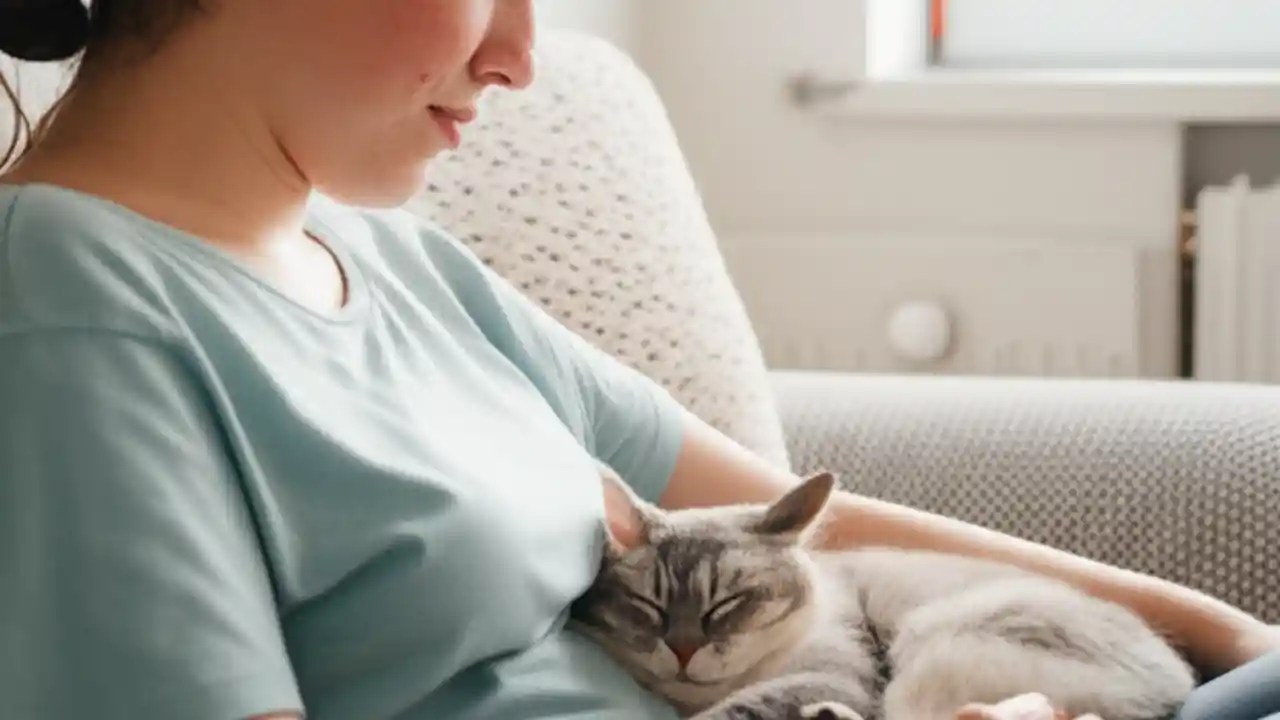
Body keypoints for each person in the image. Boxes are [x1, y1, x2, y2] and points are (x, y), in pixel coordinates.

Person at [0, 1, 1274, 719]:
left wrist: (1226, 635)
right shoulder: (72, 308)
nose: (519, 55)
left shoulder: (395, 259)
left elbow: (789, 519)